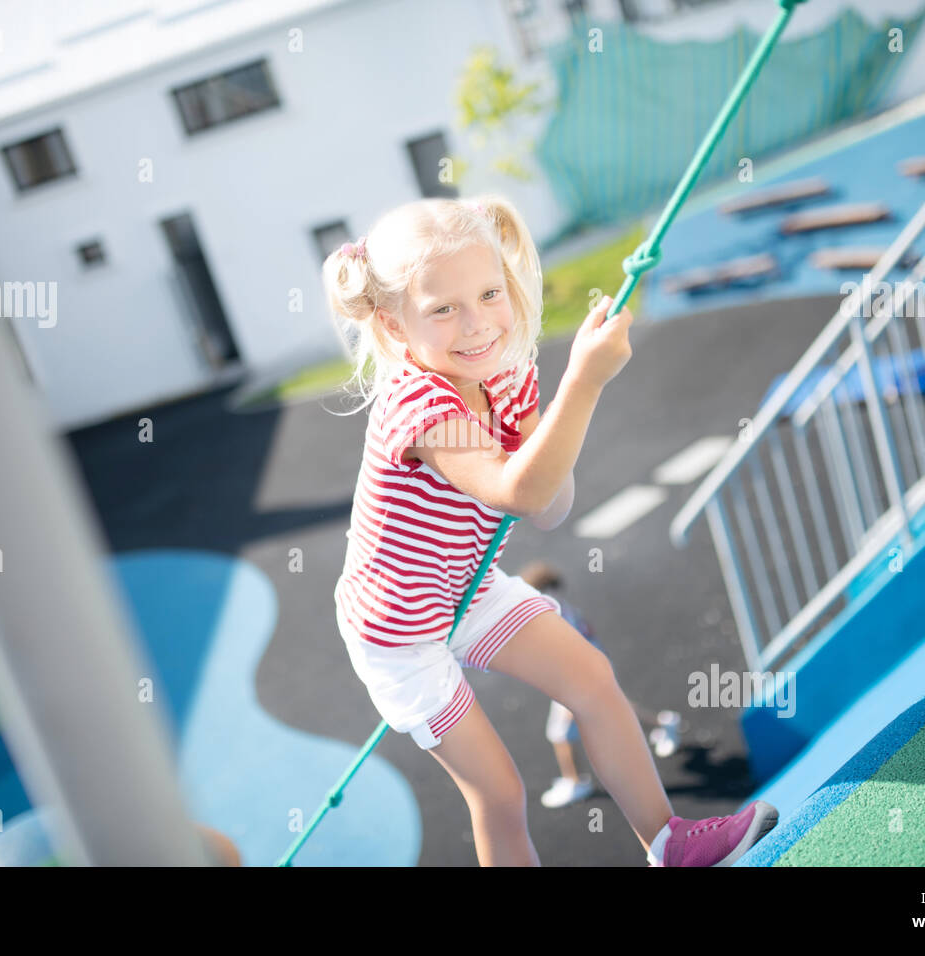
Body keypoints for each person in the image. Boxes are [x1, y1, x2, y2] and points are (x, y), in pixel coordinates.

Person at [324, 194, 777, 866]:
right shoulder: (419, 405)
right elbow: (520, 489)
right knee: (501, 792)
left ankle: (667, 841)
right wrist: (584, 382)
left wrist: (554, 401)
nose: (477, 324)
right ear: (394, 329)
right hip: (398, 629)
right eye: (443, 309)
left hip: (464, 589)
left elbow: (551, 505)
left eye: (488, 294)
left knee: (592, 678)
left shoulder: (503, 373)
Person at [514, 560, 681, 810]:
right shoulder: (562, 609)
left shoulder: (551, 614)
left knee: (561, 732)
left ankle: (575, 781)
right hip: (586, 669)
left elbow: (560, 651)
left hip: (575, 675)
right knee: (615, 710)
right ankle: (663, 722)